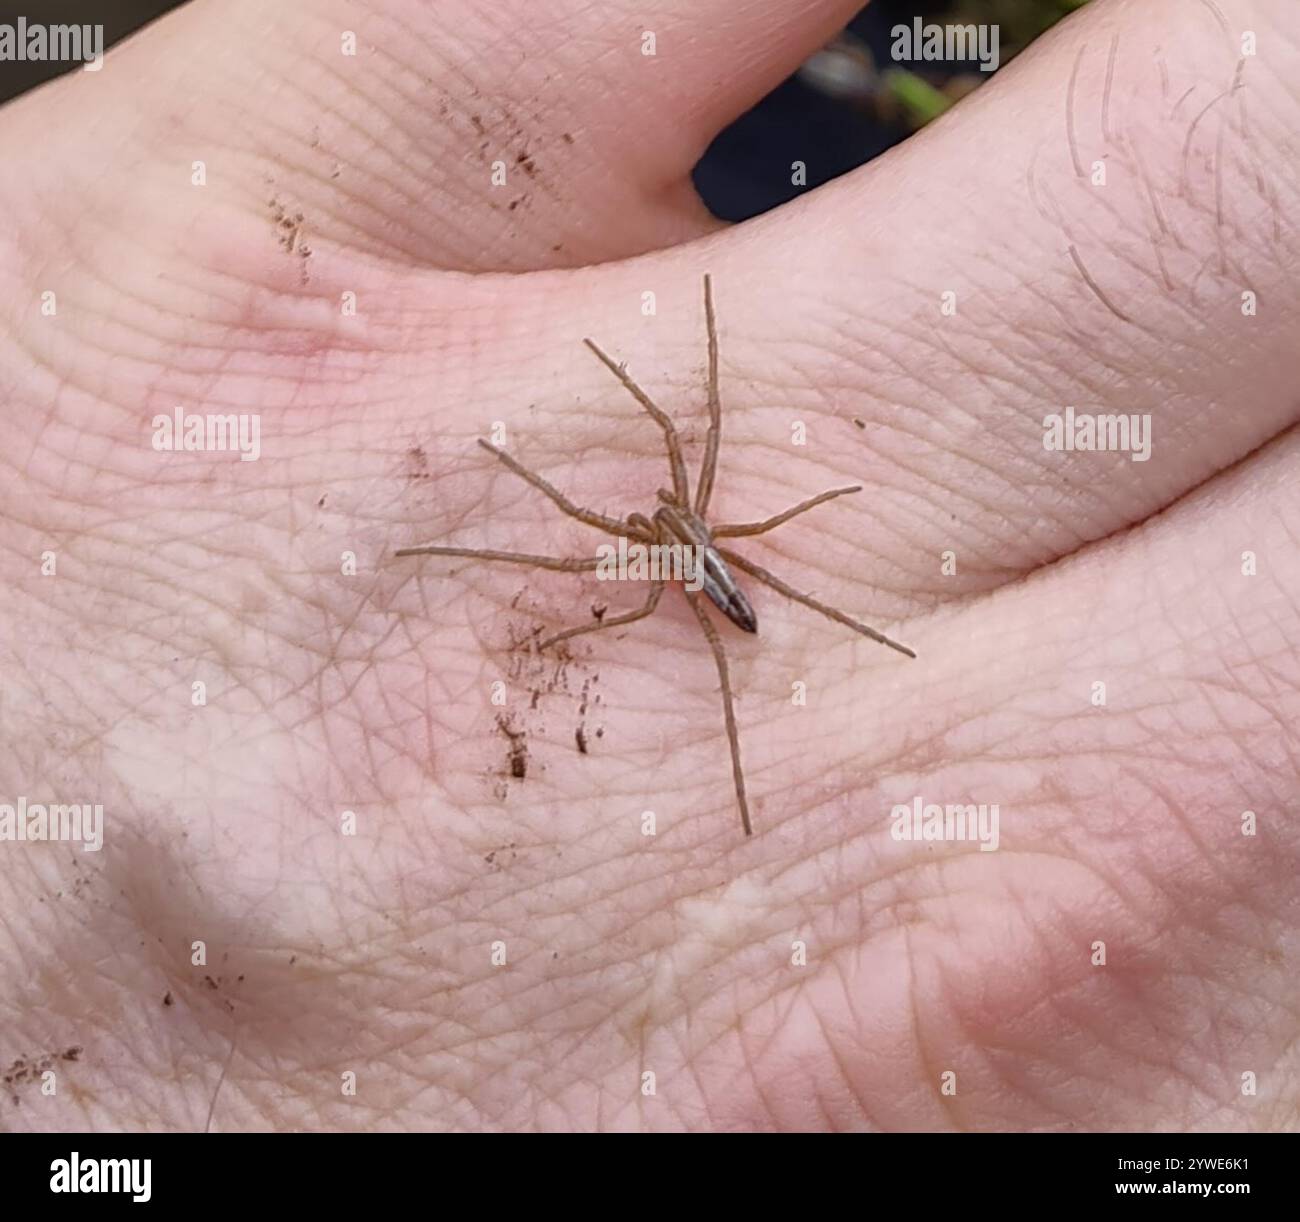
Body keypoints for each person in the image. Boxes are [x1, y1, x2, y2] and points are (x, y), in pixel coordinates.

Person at [1, 0, 1296, 1131]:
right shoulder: (666, 554)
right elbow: (619, 505)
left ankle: (837, 648)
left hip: (724, 576)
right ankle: (739, 706)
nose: (666, 514)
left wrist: (699, 396)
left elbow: (699, 435)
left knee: (723, 504)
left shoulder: (700, 533)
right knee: (630, 571)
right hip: (703, 577)